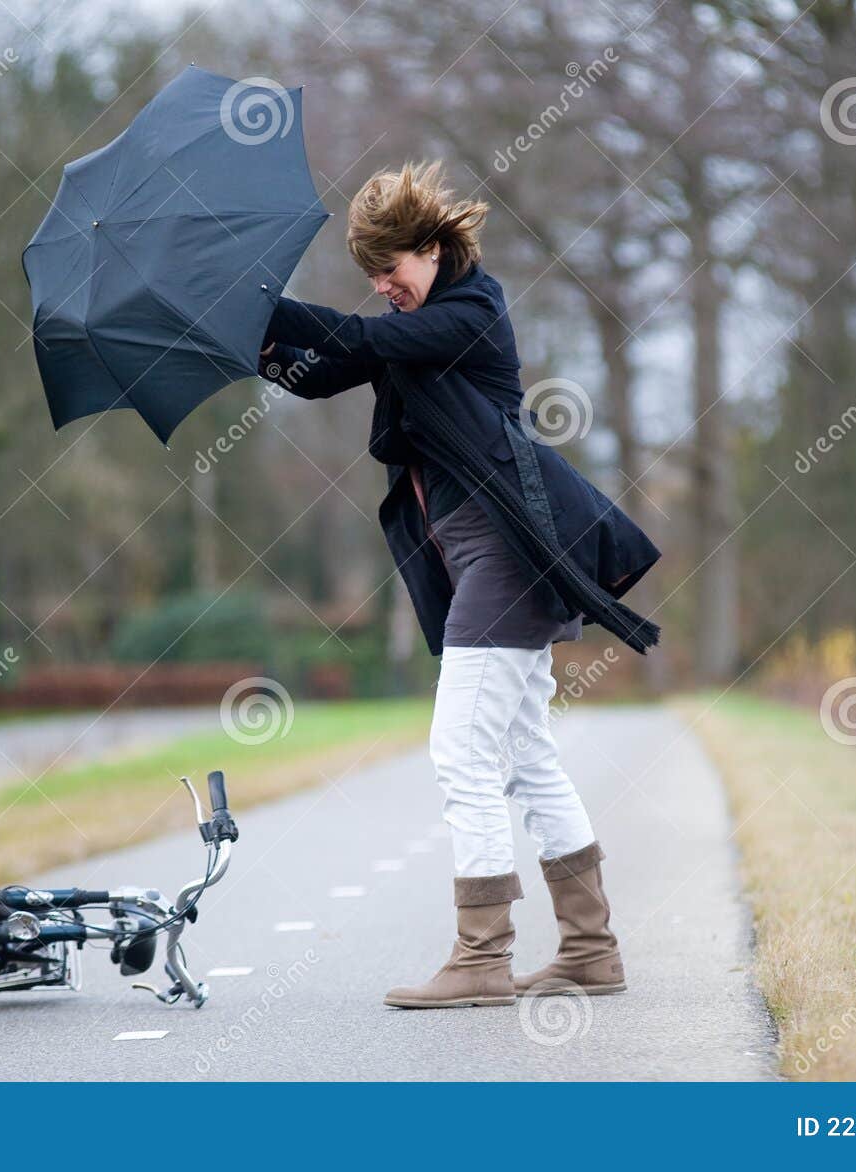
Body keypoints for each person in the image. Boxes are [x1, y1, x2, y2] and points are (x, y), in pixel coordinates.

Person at [258, 160, 660, 1009]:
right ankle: (590, 950)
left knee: (461, 752)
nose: (381, 286)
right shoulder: (417, 323)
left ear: (434, 248)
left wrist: (259, 298)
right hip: (479, 554)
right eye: (372, 274)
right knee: (522, 754)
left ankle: (482, 957)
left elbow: (358, 342)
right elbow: (323, 368)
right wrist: (249, 339)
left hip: (505, 555)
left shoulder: (471, 310)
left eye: (391, 268)